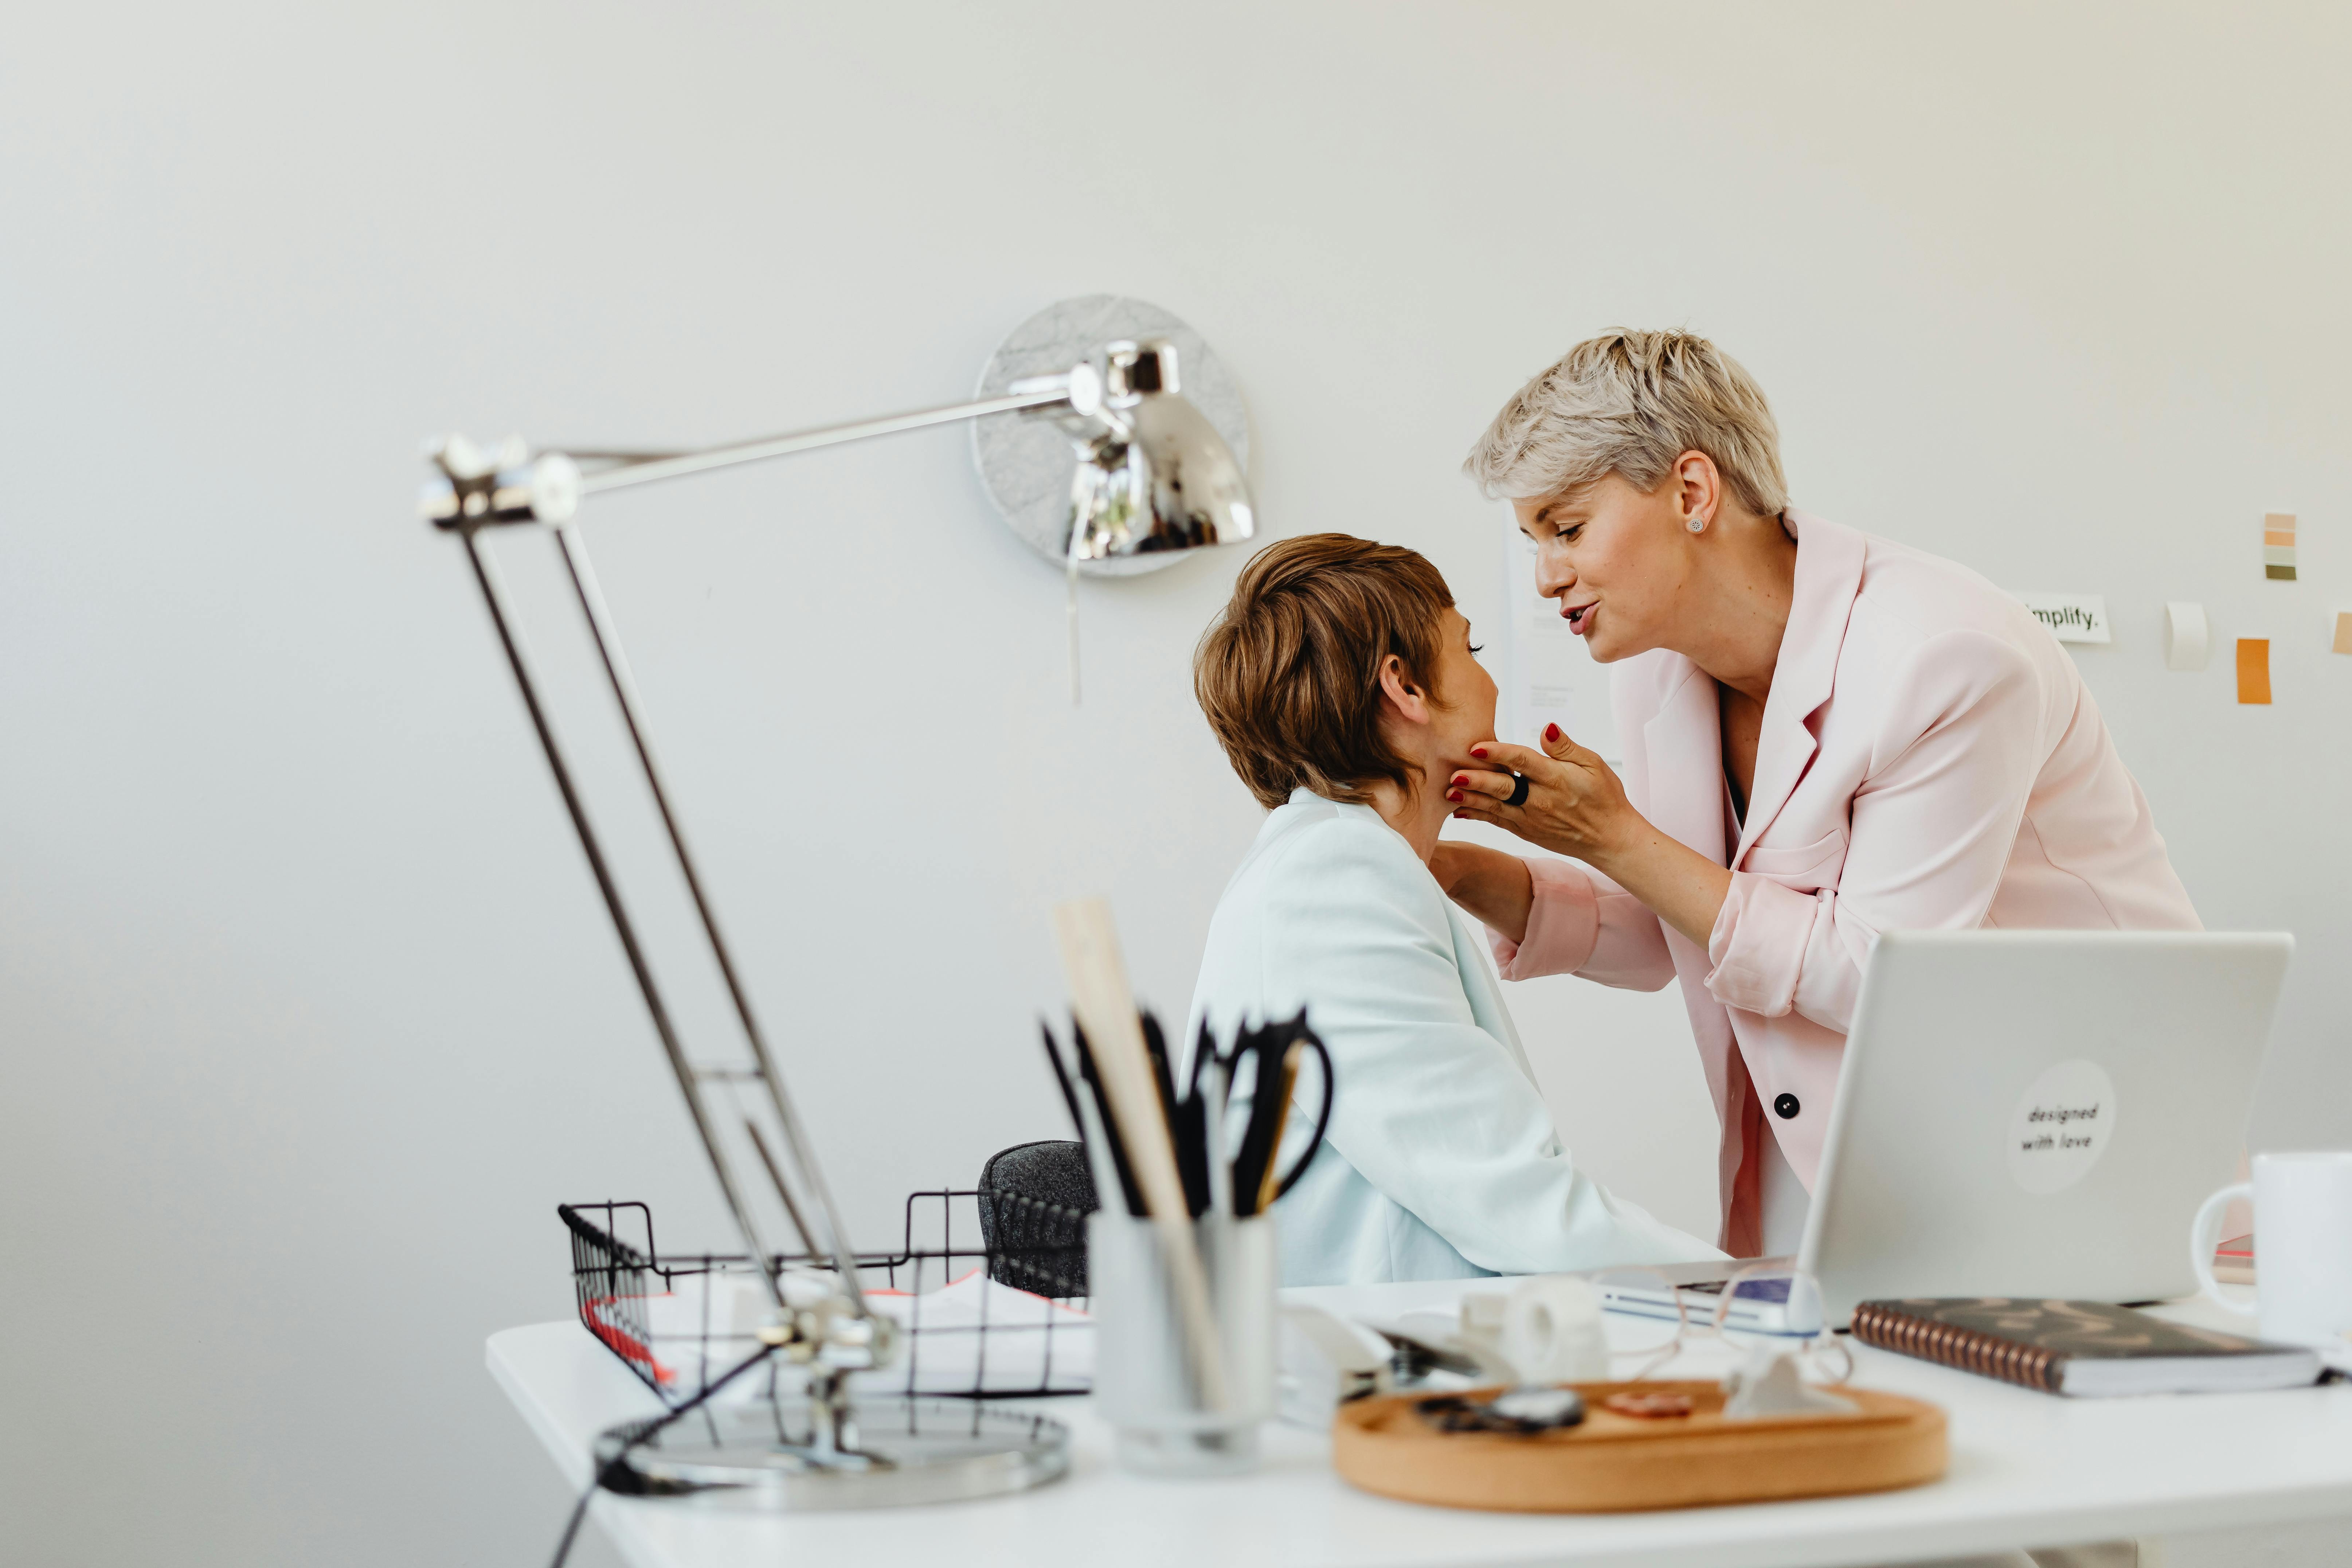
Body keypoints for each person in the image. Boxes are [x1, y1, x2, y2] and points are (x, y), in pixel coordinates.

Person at [1437, 329, 2200, 1258]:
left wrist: (1613, 835)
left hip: (2062, 1142)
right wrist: (1448, 863)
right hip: (1837, 1159)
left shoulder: (1943, 656)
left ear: (1691, 492)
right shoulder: (1656, 671)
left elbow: (1878, 972)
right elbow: (1690, 924)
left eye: (1566, 529)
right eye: (1533, 542)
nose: (1547, 577)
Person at [1185, 532, 1720, 1285]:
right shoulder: (1337, 880)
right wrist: (1770, 1291)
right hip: (1379, 1373)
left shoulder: (1341, 863)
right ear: (1404, 687)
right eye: (1470, 649)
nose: (1489, 682)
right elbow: (1525, 1215)